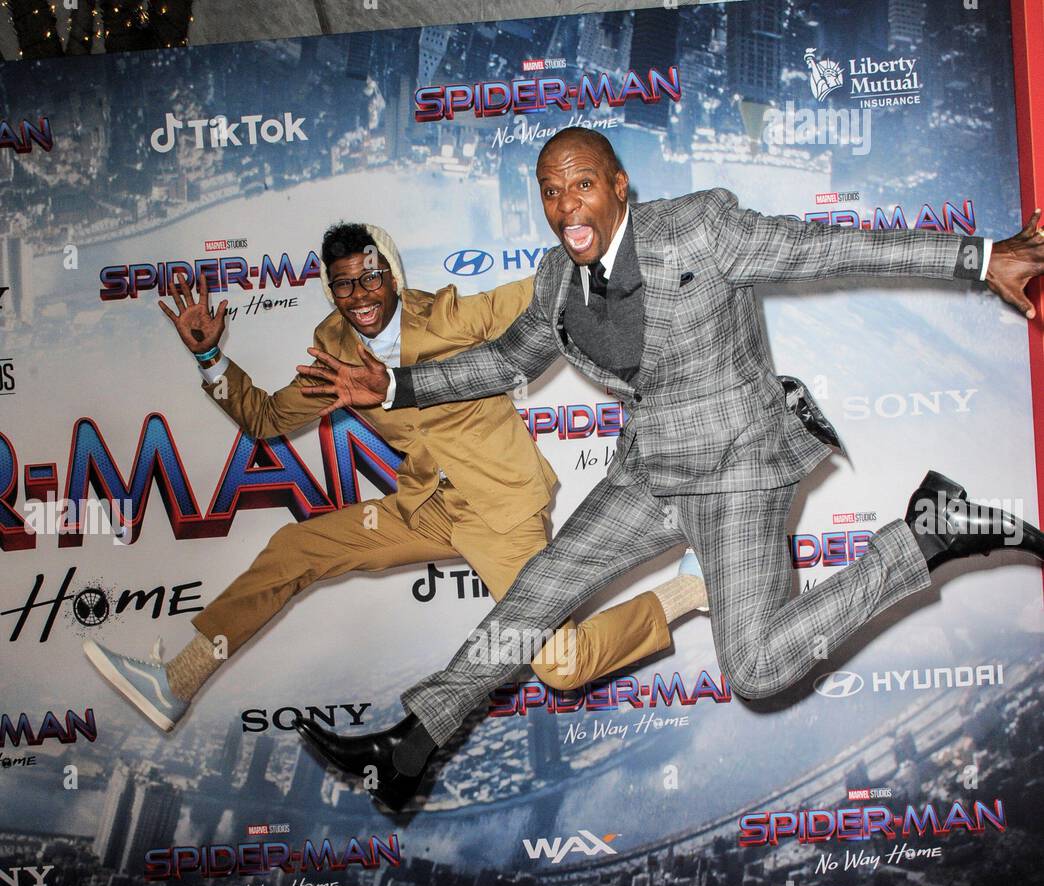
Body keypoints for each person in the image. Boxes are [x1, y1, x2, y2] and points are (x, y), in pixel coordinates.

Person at [292, 130, 1044, 813]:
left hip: (738, 464)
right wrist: (394, 387)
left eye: (581, 184)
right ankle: (411, 746)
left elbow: (829, 249)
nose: (565, 206)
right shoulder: (555, 279)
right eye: (550, 191)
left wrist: (979, 259)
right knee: (537, 590)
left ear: (621, 186)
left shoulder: (699, 229)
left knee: (753, 668)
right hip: (648, 471)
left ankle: (924, 538)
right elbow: (503, 361)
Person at [82, 221, 711, 732]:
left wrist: (628, 261)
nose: (359, 297)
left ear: (389, 274)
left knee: (560, 665)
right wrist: (209, 357)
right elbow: (267, 420)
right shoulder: (333, 350)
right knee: (294, 546)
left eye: (369, 278)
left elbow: (543, 291)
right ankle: (177, 683)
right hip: (426, 506)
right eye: (344, 286)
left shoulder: (446, 318)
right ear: (331, 291)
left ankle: (687, 593)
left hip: (500, 510)